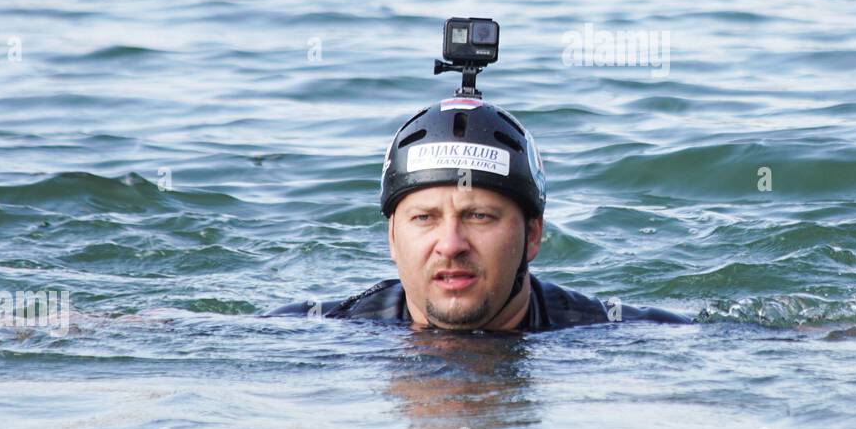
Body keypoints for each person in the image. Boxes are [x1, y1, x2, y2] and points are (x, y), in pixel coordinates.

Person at [263, 95, 692, 331]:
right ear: (392, 237)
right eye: (424, 218)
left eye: (479, 216)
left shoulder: (614, 336)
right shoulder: (312, 333)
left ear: (533, 235)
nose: (450, 245)